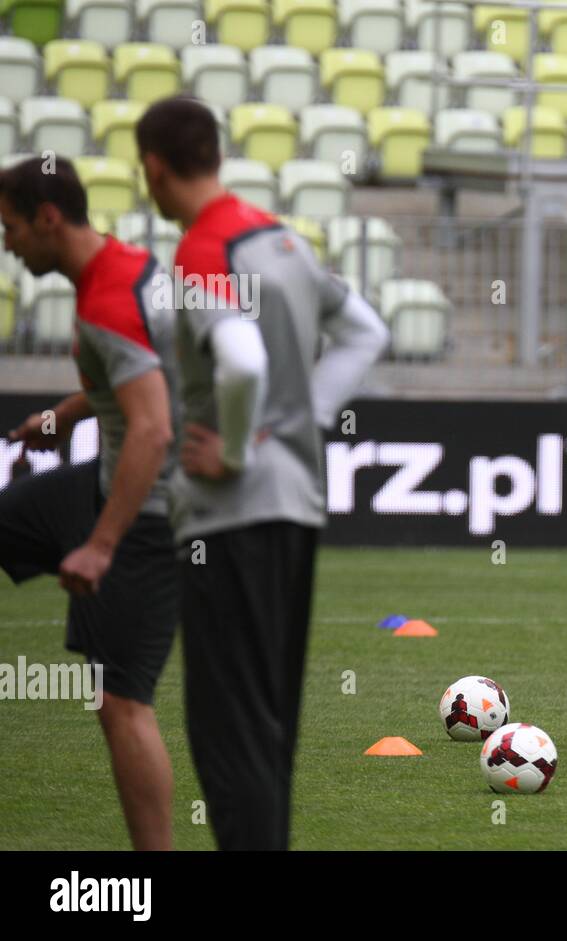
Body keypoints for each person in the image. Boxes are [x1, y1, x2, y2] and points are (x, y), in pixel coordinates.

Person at [134, 95, 390, 848]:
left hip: (231, 513)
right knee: (270, 724)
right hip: (297, 503)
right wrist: (303, 420)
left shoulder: (203, 250)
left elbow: (241, 360)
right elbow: (366, 332)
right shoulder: (286, 243)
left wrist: (239, 449)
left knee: (228, 732)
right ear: (216, 154)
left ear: (153, 168)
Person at [0, 156, 181, 846]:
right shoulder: (123, 266)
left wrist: (101, 545)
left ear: (48, 218)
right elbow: (127, 381)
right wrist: (58, 419)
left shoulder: (107, 301)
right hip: (108, 481)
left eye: (10, 228)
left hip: (152, 512)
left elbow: (153, 428)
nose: (8, 245)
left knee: (121, 702)